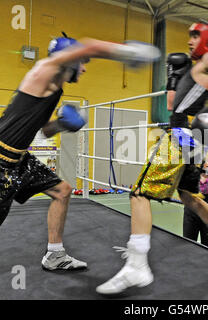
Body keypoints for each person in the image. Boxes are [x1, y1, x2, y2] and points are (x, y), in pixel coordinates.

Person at [96, 20, 208, 294]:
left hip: (184, 134)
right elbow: (170, 106)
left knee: (139, 192)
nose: (189, 40)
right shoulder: (191, 66)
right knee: (188, 195)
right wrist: (173, 80)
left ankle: (137, 266)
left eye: (195, 35)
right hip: (191, 135)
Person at [0, 33, 160, 271]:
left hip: (20, 160)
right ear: (70, 58)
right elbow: (92, 45)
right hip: (1, 162)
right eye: (82, 62)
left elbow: (45, 130)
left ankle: (55, 255)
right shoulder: (44, 70)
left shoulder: (54, 89)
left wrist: (63, 124)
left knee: (63, 191)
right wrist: (129, 53)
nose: (84, 69)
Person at [183, 159, 208, 249]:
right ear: (202, 167)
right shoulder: (193, 176)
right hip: (191, 214)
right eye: (206, 166)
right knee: (188, 242)